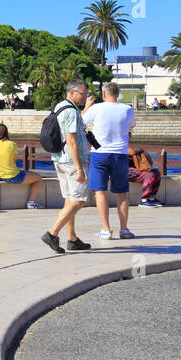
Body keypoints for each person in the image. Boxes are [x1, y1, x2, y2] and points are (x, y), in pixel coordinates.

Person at [41, 79, 93, 253]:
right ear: (71, 92)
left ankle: (72, 239)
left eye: (85, 93)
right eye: (82, 93)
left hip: (59, 159)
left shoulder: (60, 107)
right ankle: (52, 233)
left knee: (70, 199)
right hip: (72, 162)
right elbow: (71, 140)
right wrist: (80, 168)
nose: (85, 96)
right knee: (78, 200)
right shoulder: (71, 111)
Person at [84, 82, 136, 240]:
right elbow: (132, 126)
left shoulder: (96, 108)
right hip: (120, 154)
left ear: (104, 94)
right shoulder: (127, 109)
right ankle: (124, 229)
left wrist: (86, 106)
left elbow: (81, 122)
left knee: (100, 191)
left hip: (99, 153)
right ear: (118, 94)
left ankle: (106, 230)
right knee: (122, 193)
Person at [0, 125, 44, 208]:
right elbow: (13, 161)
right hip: (13, 176)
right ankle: (31, 202)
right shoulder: (13, 144)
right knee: (38, 178)